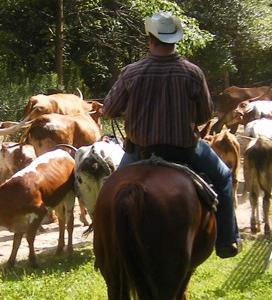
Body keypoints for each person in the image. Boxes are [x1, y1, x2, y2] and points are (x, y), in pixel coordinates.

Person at [101, 11, 241, 258]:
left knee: (109, 192)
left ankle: (105, 246)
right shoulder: (192, 72)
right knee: (223, 177)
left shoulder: (131, 72)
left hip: (140, 152)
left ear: (150, 38)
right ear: (175, 38)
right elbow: (203, 116)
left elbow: (108, 110)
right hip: (186, 150)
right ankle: (226, 241)